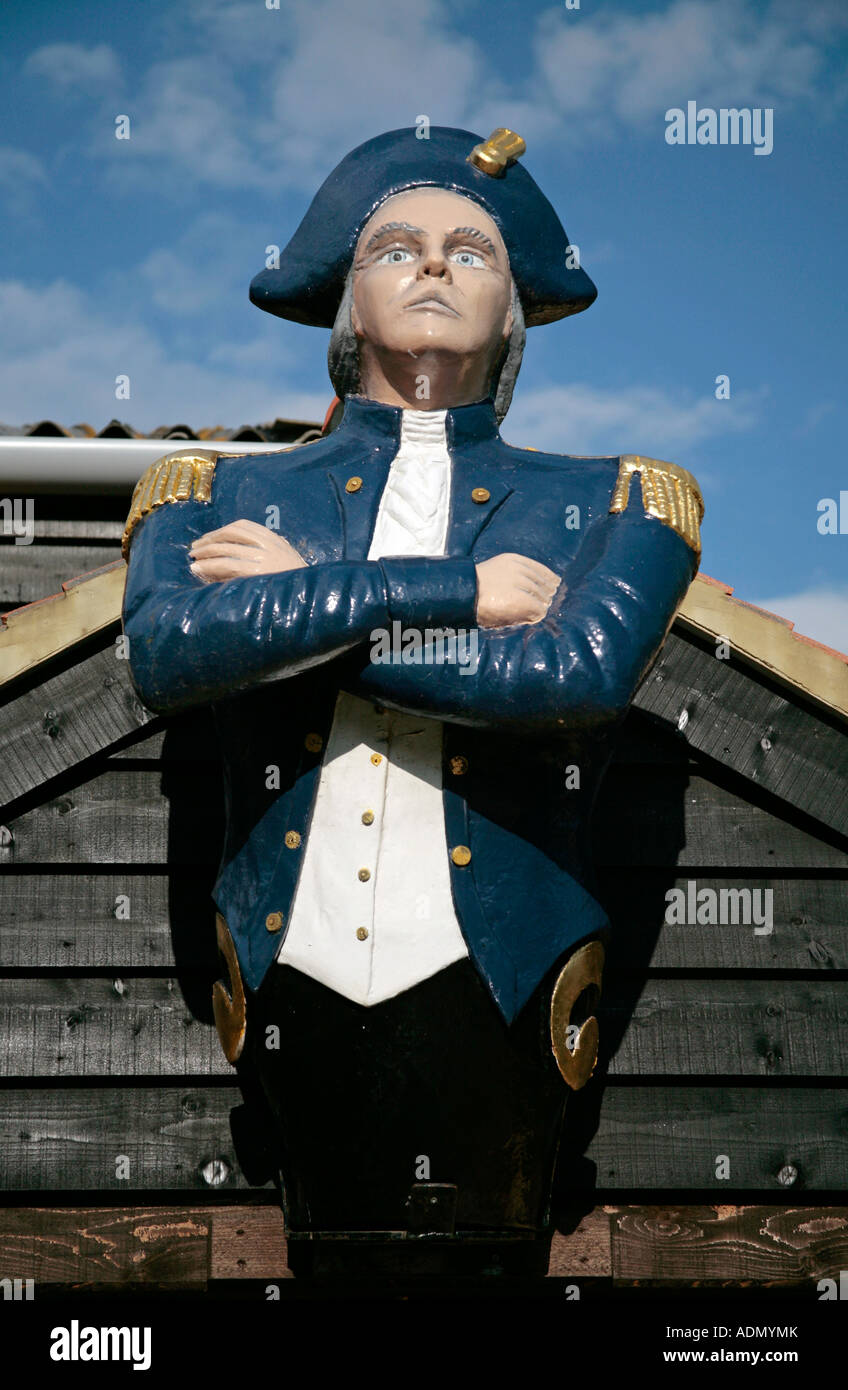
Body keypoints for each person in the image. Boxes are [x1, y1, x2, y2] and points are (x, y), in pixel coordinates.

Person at [121, 125, 703, 1277]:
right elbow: (173, 650)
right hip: (292, 975)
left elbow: (568, 677)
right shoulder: (210, 489)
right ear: (346, 303)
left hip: (503, 984)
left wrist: (300, 613)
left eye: (468, 252)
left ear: (512, 314)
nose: (433, 266)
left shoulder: (620, 500)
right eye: (396, 246)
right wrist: (448, 591)